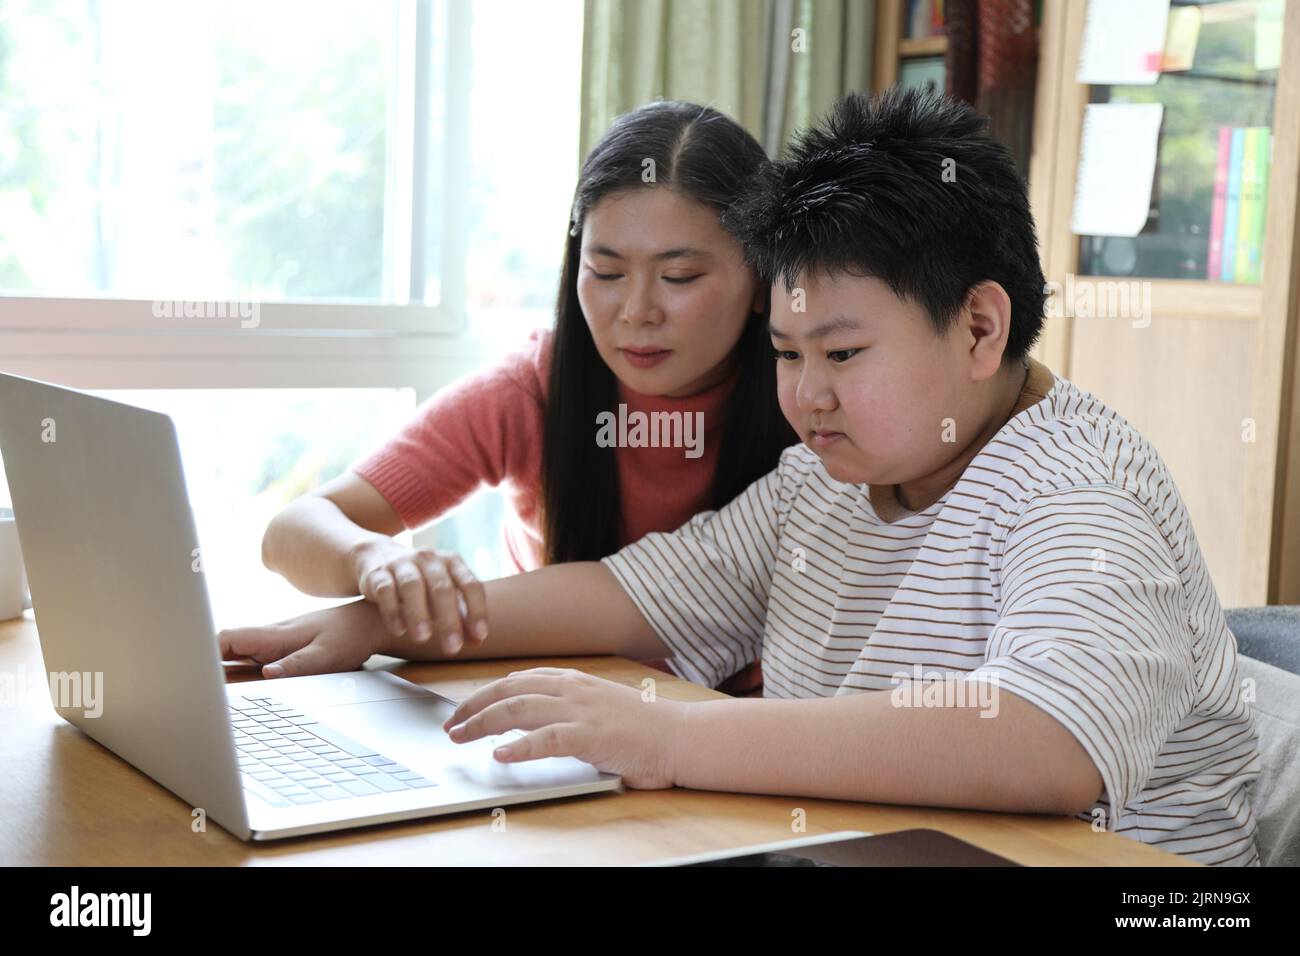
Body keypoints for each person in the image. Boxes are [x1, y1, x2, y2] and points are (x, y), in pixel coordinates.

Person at [222, 88, 1261, 865]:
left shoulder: (1081, 488)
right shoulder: (828, 478)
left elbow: (1045, 740)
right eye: (786, 351)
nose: (804, 394)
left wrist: (677, 731)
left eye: (842, 355)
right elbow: (625, 596)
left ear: (980, 326)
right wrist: (373, 625)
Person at [256, 100, 795, 696]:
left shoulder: (808, 398)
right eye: (606, 271)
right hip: (554, 711)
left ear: (761, 280)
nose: (636, 311)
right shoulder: (533, 391)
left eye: (680, 278)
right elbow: (289, 532)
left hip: (734, 729)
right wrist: (372, 559)